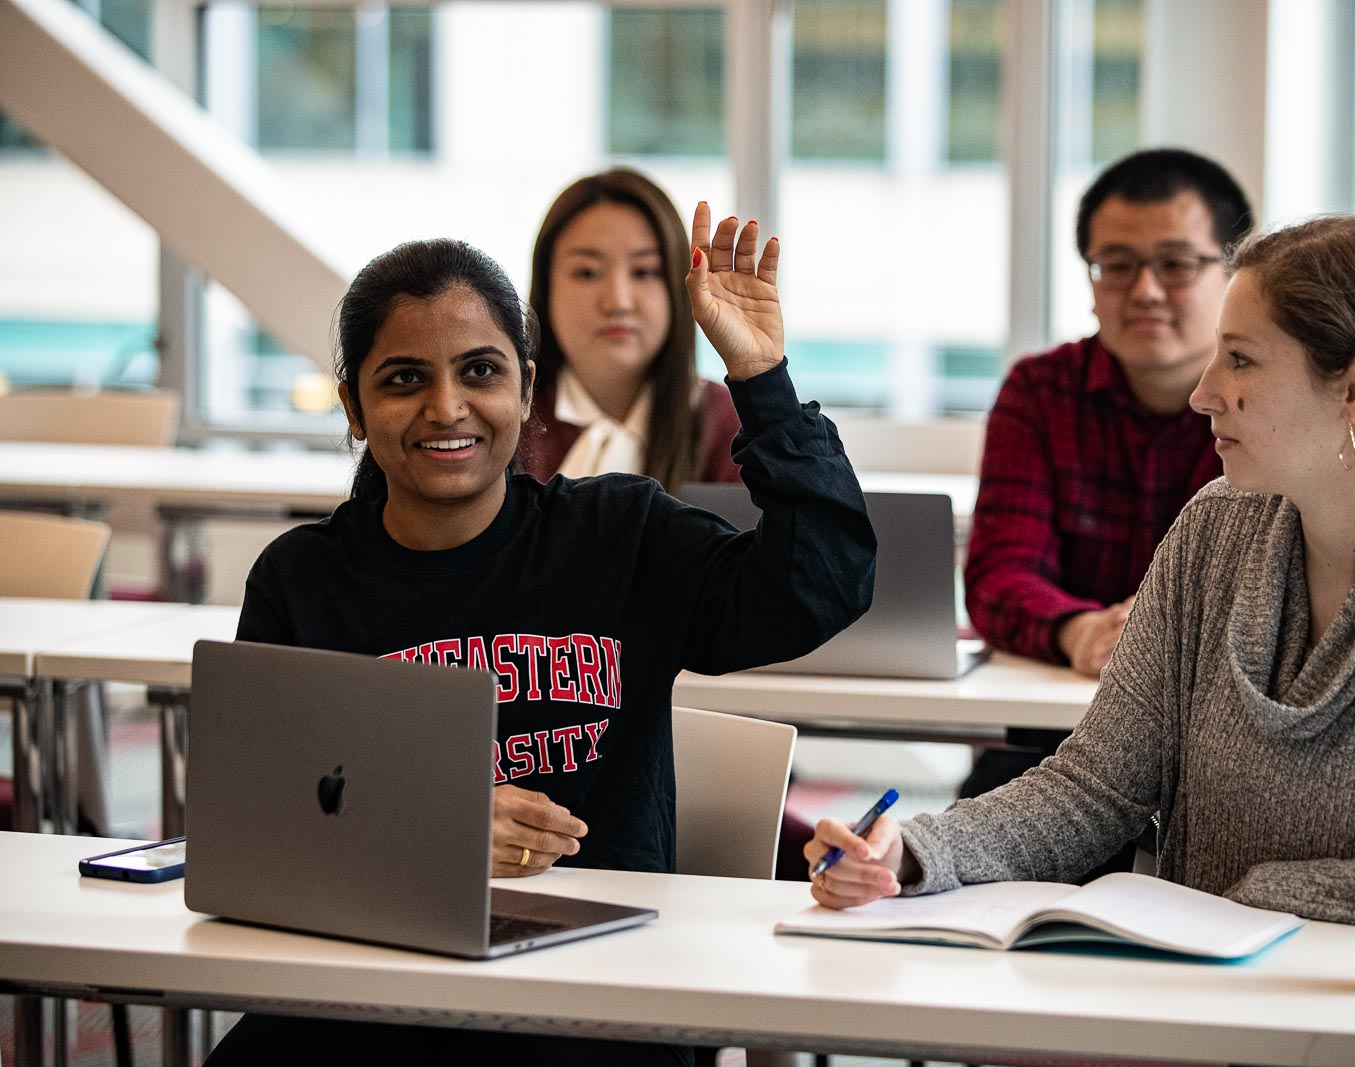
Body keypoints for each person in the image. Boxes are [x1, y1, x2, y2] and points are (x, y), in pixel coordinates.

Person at [806, 215, 1355, 947]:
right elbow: (1095, 786)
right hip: (1211, 1010)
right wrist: (912, 849)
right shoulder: (1214, 527)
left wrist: (1291, 892)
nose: (1202, 391)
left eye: (1242, 359)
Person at [207, 206, 875, 1066]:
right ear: (354, 406)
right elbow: (254, 826)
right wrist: (432, 823)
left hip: (598, 999)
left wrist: (761, 378)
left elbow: (825, 583)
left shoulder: (618, 535)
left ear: (525, 388)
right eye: (404, 379)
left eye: (479, 370)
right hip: (374, 986)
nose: (446, 406)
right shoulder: (300, 581)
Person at [960, 147, 1253, 804]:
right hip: (1056, 745)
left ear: (1236, 270)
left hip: (1225, 754)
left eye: (1176, 264)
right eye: (1116, 266)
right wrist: (1081, 631)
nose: (1145, 290)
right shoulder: (1040, 392)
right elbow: (998, 573)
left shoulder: (1270, 401)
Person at [516, 167, 742, 493]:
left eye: (644, 271)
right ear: (546, 285)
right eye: (588, 273)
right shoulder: (510, 420)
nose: (618, 302)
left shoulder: (726, 425)